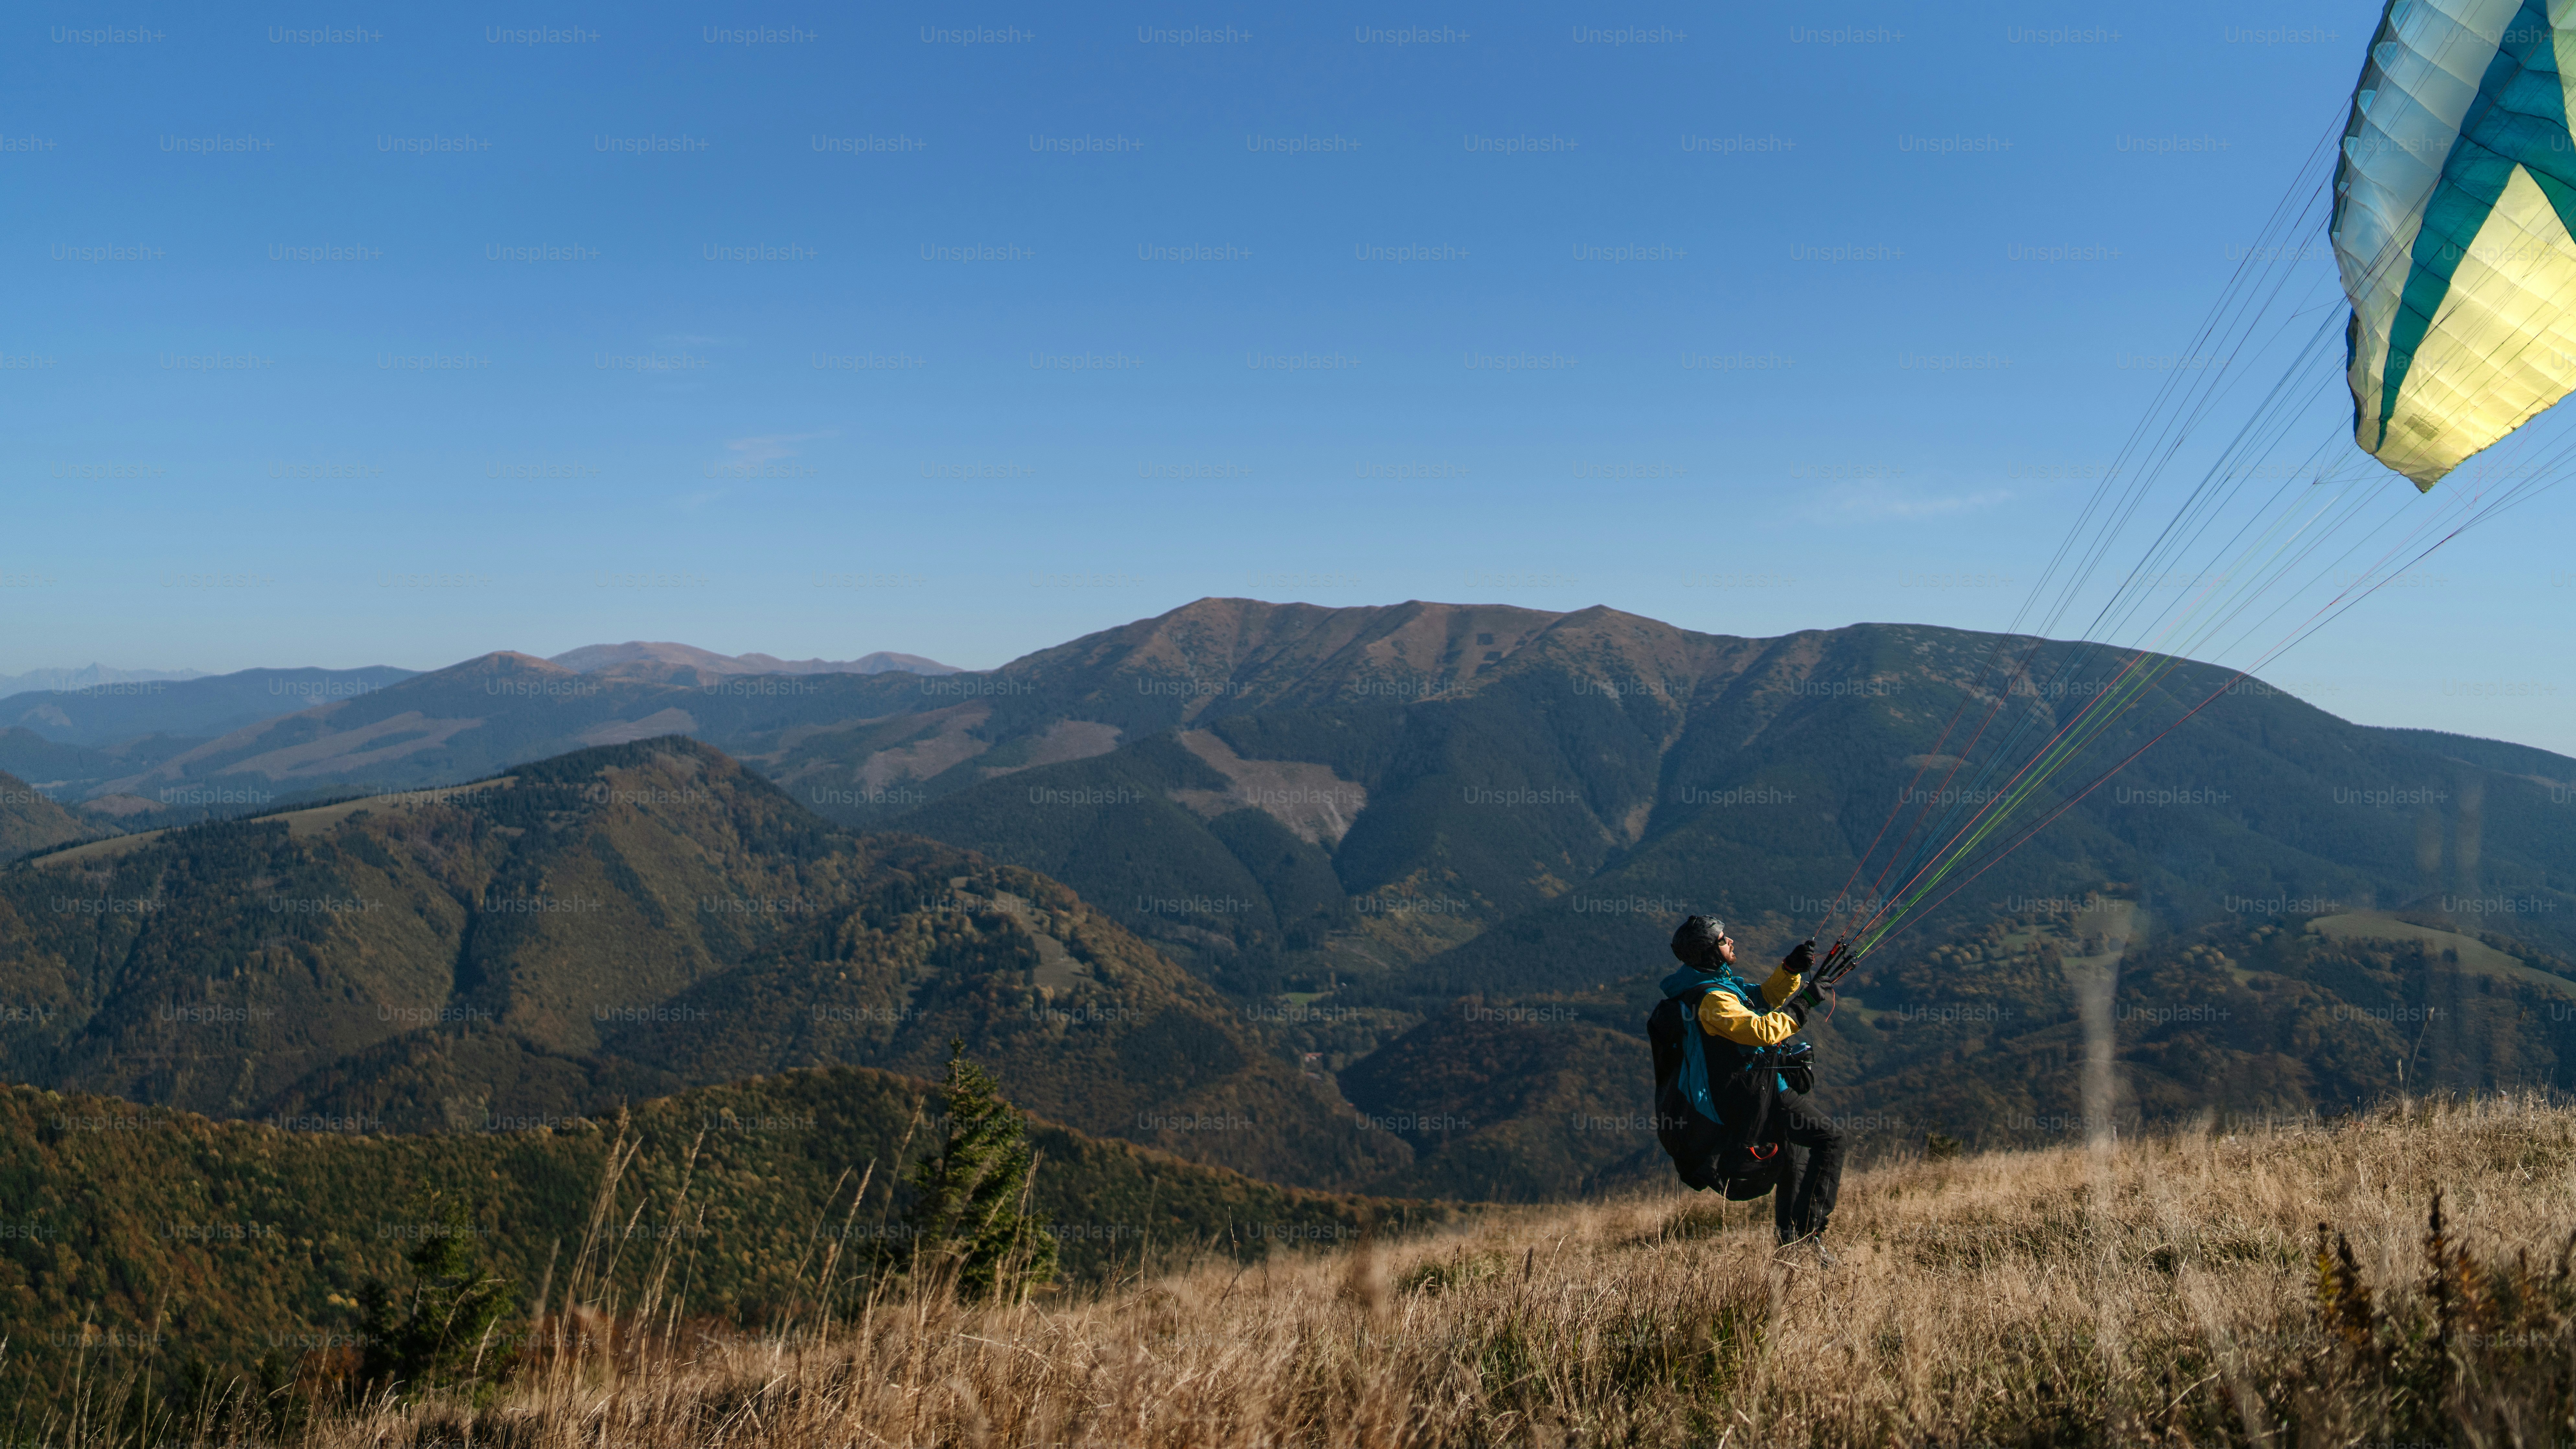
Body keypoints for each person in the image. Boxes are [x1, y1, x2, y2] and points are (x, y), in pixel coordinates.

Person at [1657, 914, 1845, 1263]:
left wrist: (1790, 969)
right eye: (1723, 940)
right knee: (1829, 1139)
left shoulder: (1717, 984)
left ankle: (1792, 1243)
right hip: (1751, 1093)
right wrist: (1805, 1003)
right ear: (1708, 953)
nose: (1731, 943)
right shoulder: (1712, 999)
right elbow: (1760, 1031)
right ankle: (1808, 1237)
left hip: (1758, 1086)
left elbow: (1763, 998)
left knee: (1794, 1151)